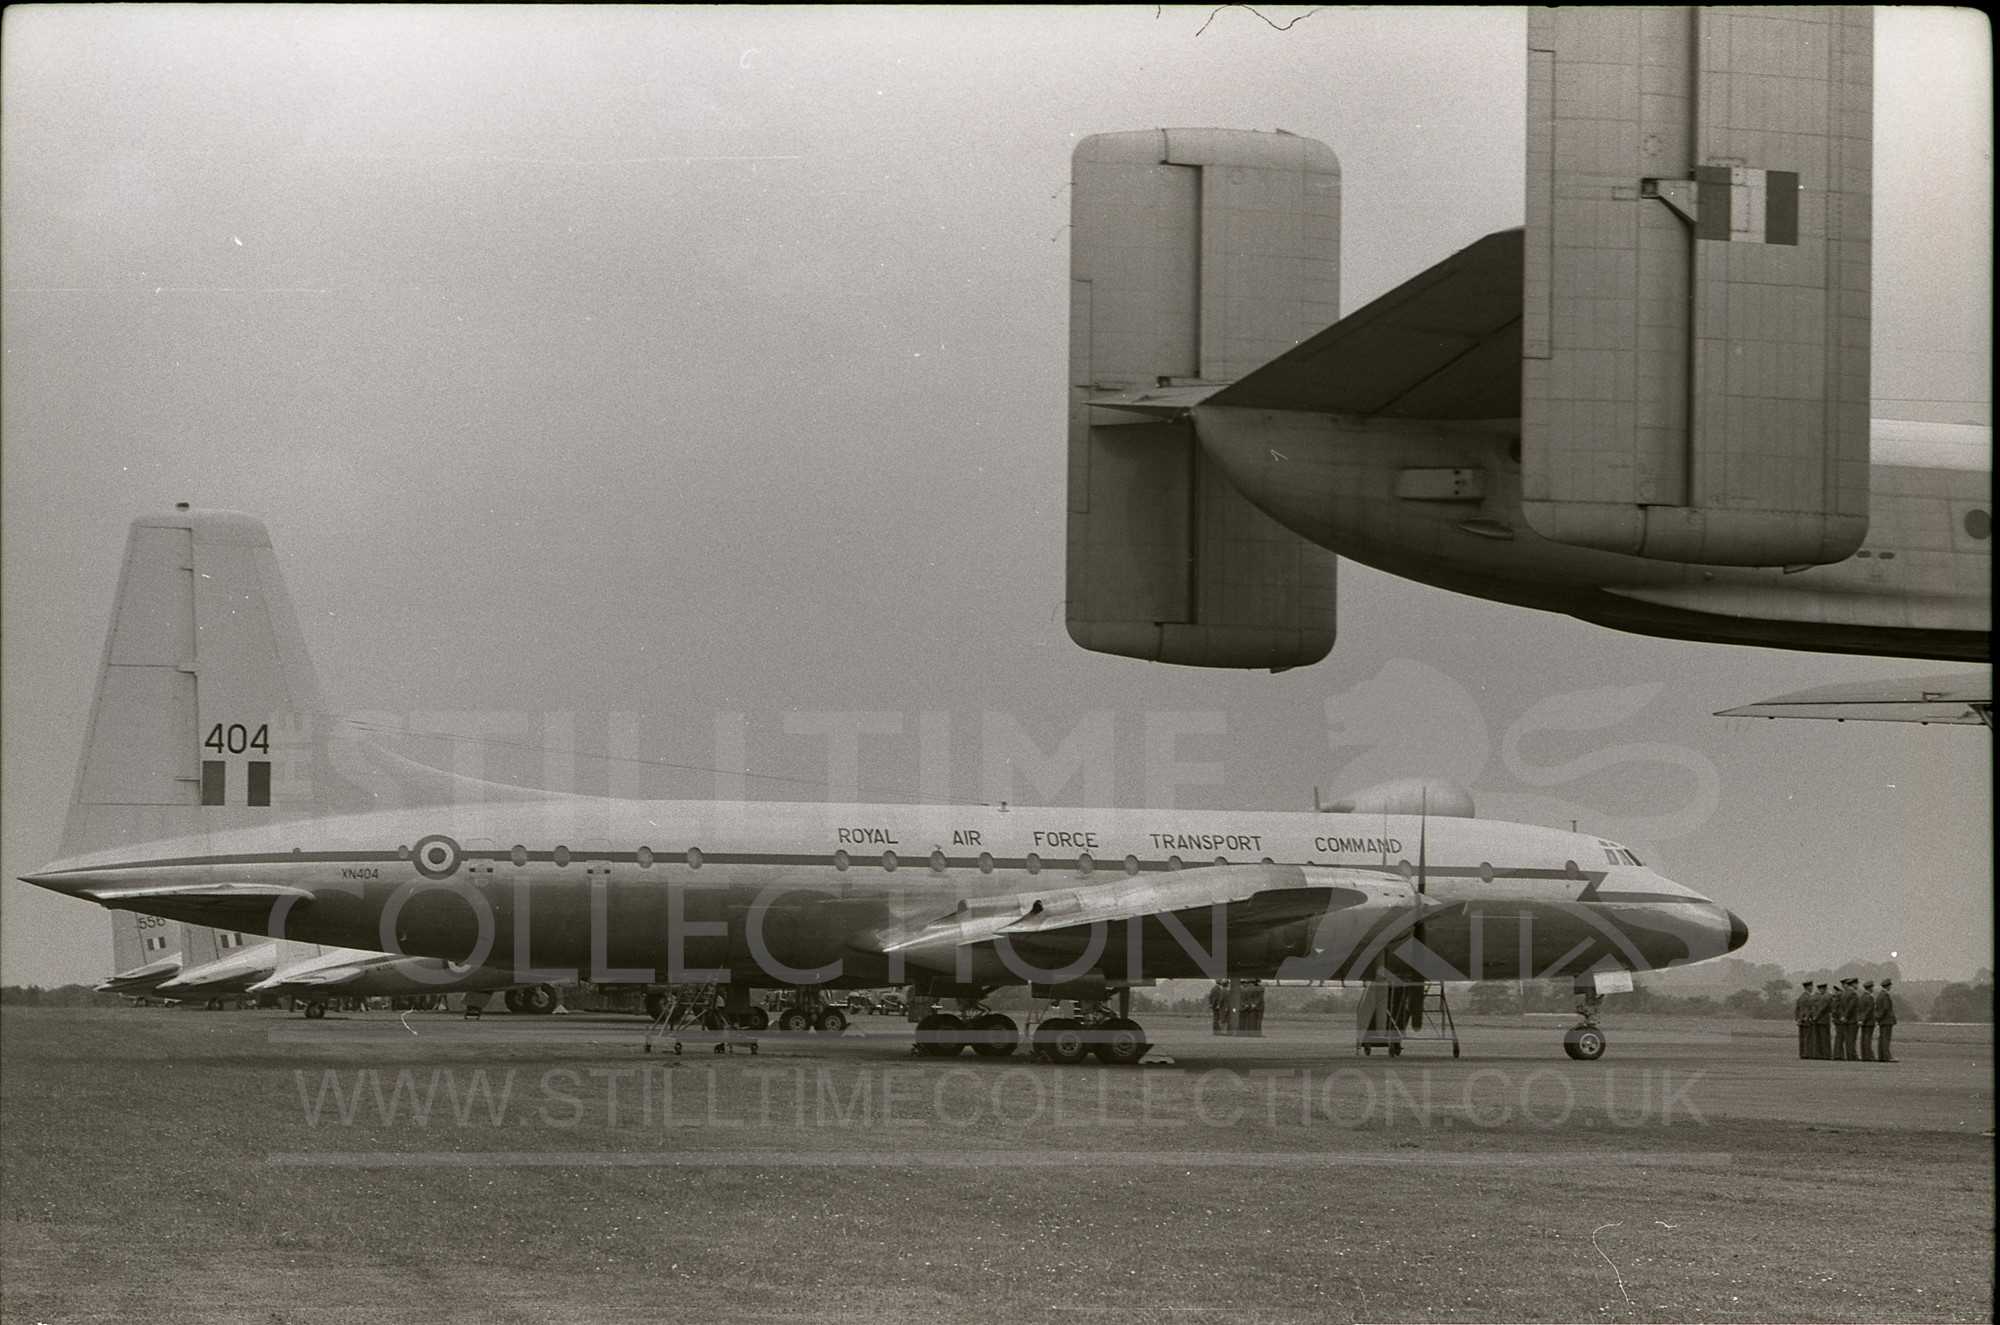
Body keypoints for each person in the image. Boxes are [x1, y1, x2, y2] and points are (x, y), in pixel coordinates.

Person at [1875, 979, 1898, 1062]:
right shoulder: (1885, 995)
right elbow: (1885, 1008)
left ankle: (1882, 1056)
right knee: (1886, 1039)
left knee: (1882, 1038)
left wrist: (1878, 1018)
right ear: (1888, 986)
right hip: (1886, 1020)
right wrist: (1880, 1017)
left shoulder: (1880, 995)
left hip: (1882, 1020)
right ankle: (1887, 1056)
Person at [1812, 983, 1834, 1059]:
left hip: (1818, 1020)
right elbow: (1822, 1009)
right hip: (1823, 1020)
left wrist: (1815, 1017)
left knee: (1819, 1038)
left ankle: (1819, 1054)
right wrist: (1816, 1017)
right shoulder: (1826, 997)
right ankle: (1826, 1055)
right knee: (1825, 1038)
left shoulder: (1816, 997)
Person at [1794, 981, 1814, 1059]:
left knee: (1802, 1038)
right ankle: (1807, 1053)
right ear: (1808, 987)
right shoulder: (1809, 997)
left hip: (1800, 1020)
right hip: (1807, 1020)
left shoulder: (1800, 997)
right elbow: (1809, 1009)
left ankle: (1802, 1054)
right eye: (1811, 986)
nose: (1812, 988)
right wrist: (1807, 1017)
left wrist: (1797, 1018)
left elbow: (1797, 1009)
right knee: (1807, 1037)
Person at [1857, 980, 1877, 1061]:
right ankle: (1869, 1056)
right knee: (1867, 1039)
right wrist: (1863, 1019)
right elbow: (1868, 1010)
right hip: (1869, 1021)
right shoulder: (1870, 997)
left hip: (1863, 1021)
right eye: (1872, 987)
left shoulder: (1862, 997)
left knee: (1864, 1039)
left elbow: (1860, 1010)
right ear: (1870, 988)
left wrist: (1860, 1020)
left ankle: (1864, 1055)